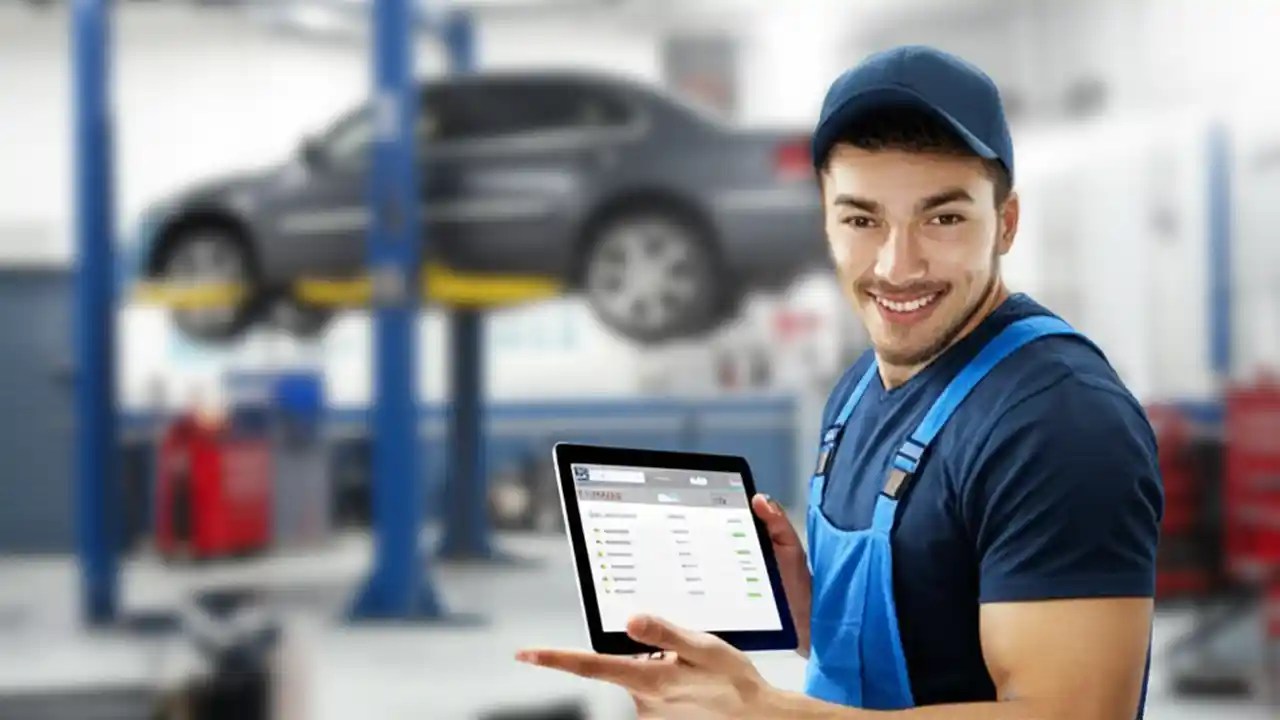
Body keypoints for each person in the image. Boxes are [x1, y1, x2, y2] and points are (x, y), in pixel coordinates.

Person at [517, 45, 1163, 719]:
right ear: (825, 222)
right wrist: (808, 610)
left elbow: (1070, 715)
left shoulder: (1060, 424)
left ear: (1005, 224)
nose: (897, 265)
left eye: (943, 218)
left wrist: (765, 712)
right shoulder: (859, 390)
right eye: (862, 219)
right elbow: (913, 647)